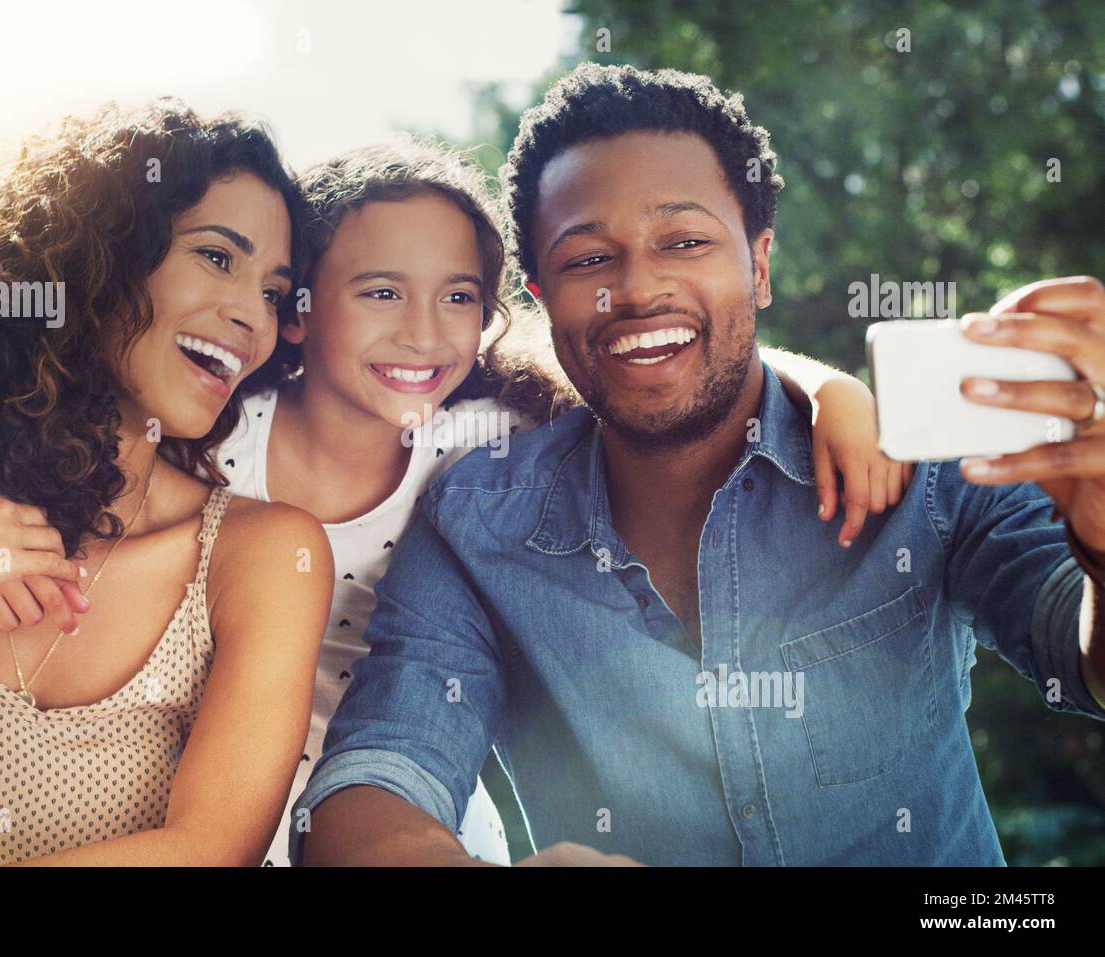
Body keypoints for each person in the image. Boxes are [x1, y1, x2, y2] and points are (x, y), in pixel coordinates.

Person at [0, 136, 907, 866]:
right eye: (381, 293)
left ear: (489, 318)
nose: (423, 333)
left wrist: (831, 392)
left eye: (458, 298)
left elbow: (670, 368)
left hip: (399, 825)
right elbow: (48, 409)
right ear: (299, 313)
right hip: (192, 817)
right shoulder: (215, 432)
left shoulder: (496, 445)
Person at [290, 63, 1105, 866]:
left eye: (684, 241)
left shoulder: (920, 465)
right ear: (539, 294)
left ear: (758, 264)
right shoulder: (474, 523)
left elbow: (1081, 662)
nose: (638, 289)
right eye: (587, 260)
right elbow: (375, 779)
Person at [0, 100, 333, 866]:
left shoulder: (262, 555)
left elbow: (209, 852)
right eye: (218, 257)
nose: (251, 314)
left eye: (274, 292)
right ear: (95, 256)